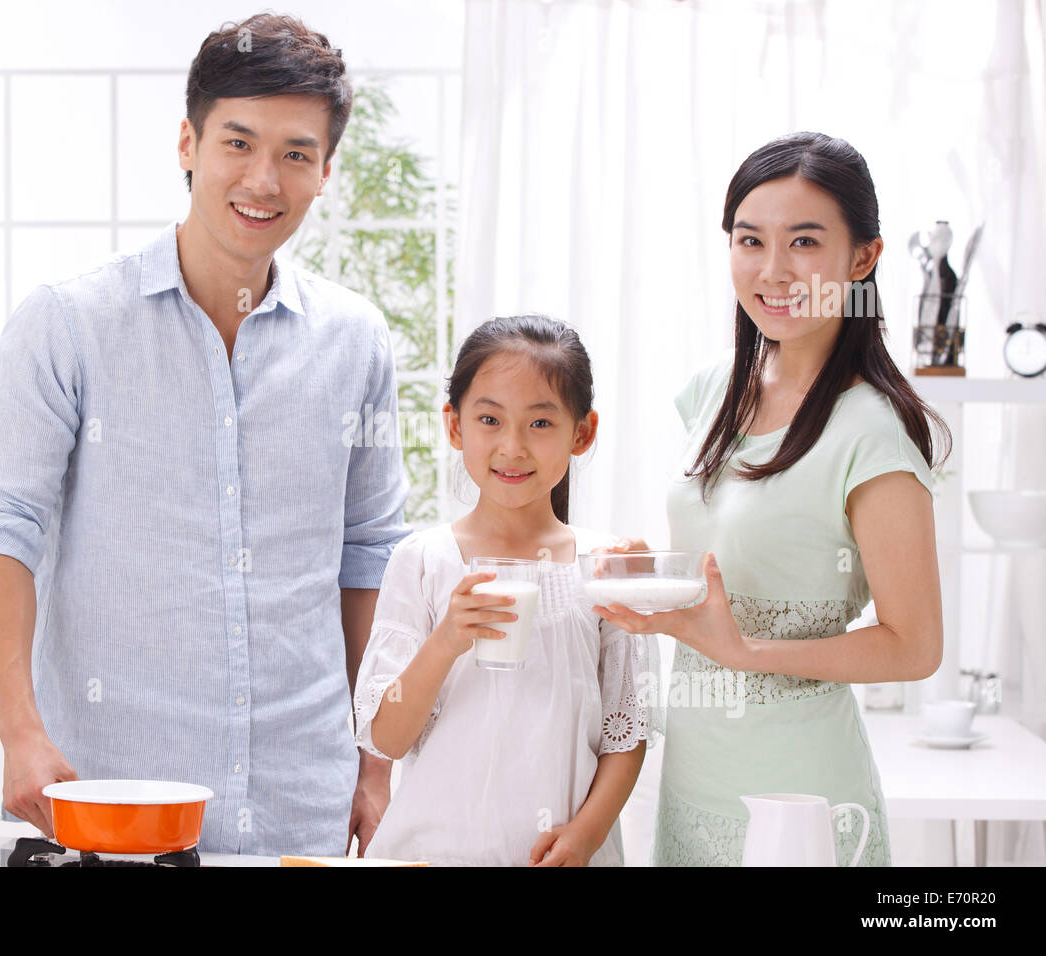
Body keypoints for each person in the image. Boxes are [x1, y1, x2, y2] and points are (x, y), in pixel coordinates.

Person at [0, 14, 408, 857]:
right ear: (187, 144)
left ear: (326, 171)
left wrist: (372, 762)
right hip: (110, 792)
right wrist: (19, 730)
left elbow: (371, 552)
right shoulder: (68, 326)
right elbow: (3, 528)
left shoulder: (358, 342)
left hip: (302, 796)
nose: (263, 180)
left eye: (296, 154)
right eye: (238, 142)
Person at [596, 132, 948, 866]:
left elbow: (915, 647)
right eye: (750, 240)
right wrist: (648, 573)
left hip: (799, 799)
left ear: (862, 259)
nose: (773, 270)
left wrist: (747, 651)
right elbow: (730, 565)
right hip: (696, 776)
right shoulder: (714, 389)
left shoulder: (871, 431)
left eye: (805, 242)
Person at [352, 315, 660, 866]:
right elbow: (387, 737)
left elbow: (626, 730)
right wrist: (446, 639)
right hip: (436, 853)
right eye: (489, 419)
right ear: (454, 427)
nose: (512, 447)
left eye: (540, 424)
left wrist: (586, 835)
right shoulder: (422, 561)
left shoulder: (604, 567)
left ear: (582, 433)